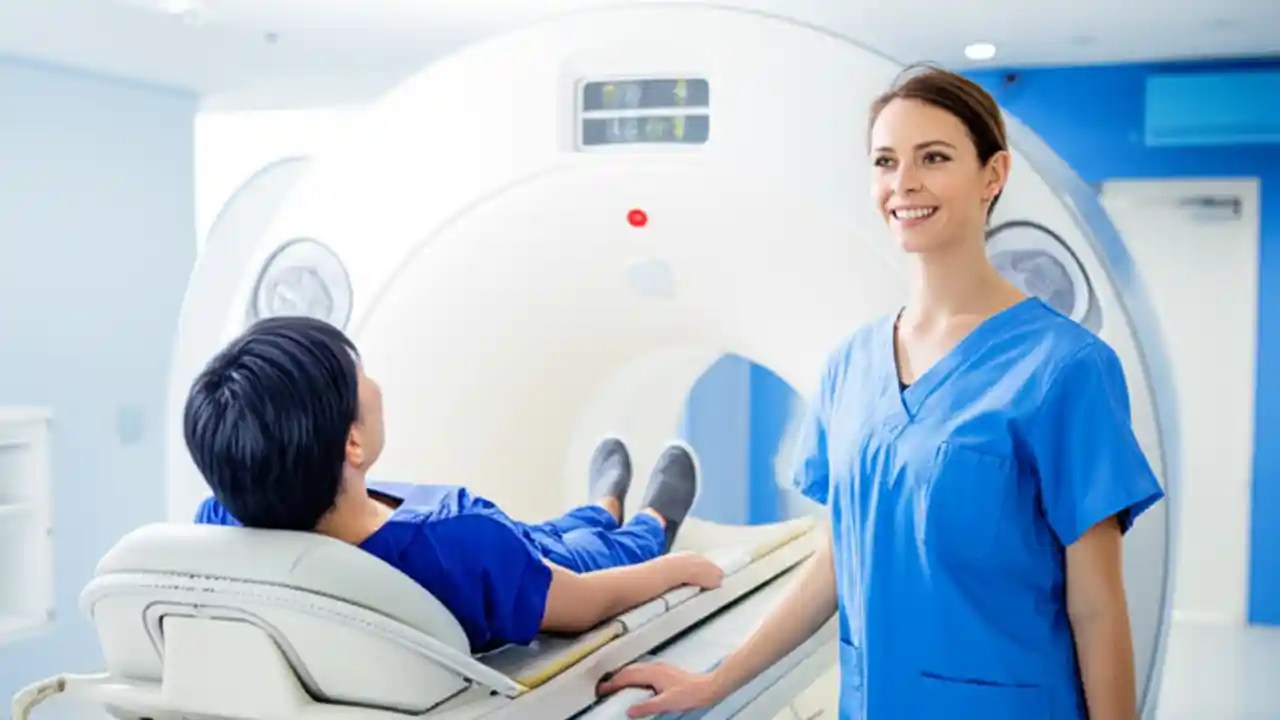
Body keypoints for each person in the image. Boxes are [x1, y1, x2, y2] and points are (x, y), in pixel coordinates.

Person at [597, 63, 1165, 719]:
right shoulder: (850, 366)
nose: (904, 183)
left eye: (934, 157)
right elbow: (842, 561)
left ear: (993, 175)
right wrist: (716, 682)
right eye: (886, 161)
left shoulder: (1065, 368)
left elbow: (1096, 607)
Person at [185, 315, 724, 655]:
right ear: (351, 445)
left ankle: (602, 503)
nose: (373, 385)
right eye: (360, 374)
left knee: (552, 528)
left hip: (509, 548)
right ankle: (652, 521)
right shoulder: (452, 547)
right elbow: (583, 603)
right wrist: (675, 571)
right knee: (591, 548)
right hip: (532, 567)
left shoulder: (224, 520)